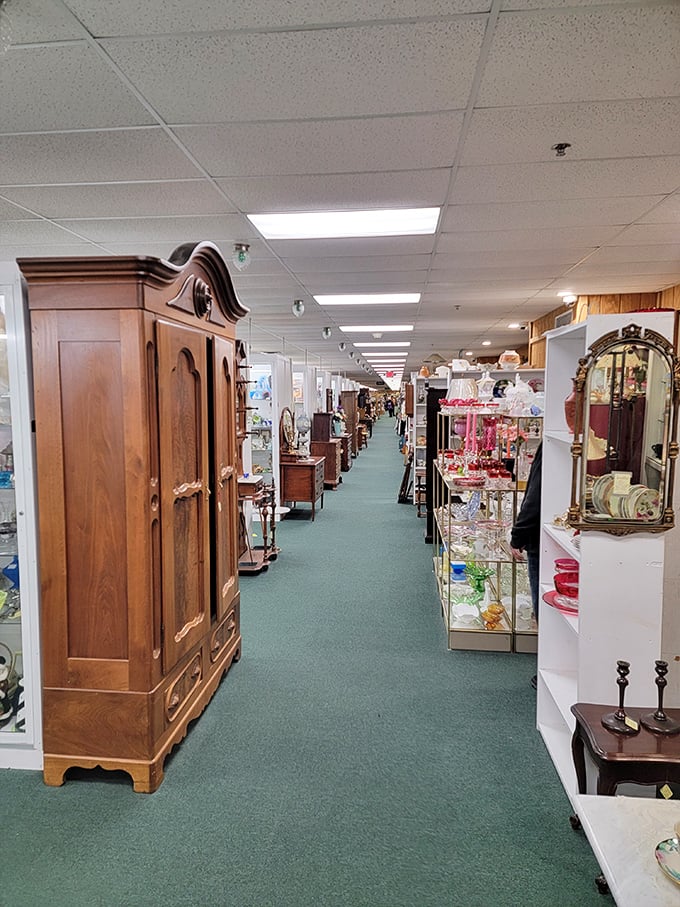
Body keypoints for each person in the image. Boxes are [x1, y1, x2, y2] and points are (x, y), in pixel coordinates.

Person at [510, 442, 542, 690]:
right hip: (543, 536)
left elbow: (535, 495)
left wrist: (518, 535)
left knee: (543, 606)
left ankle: (546, 667)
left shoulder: (550, 446)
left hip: (539, 537)